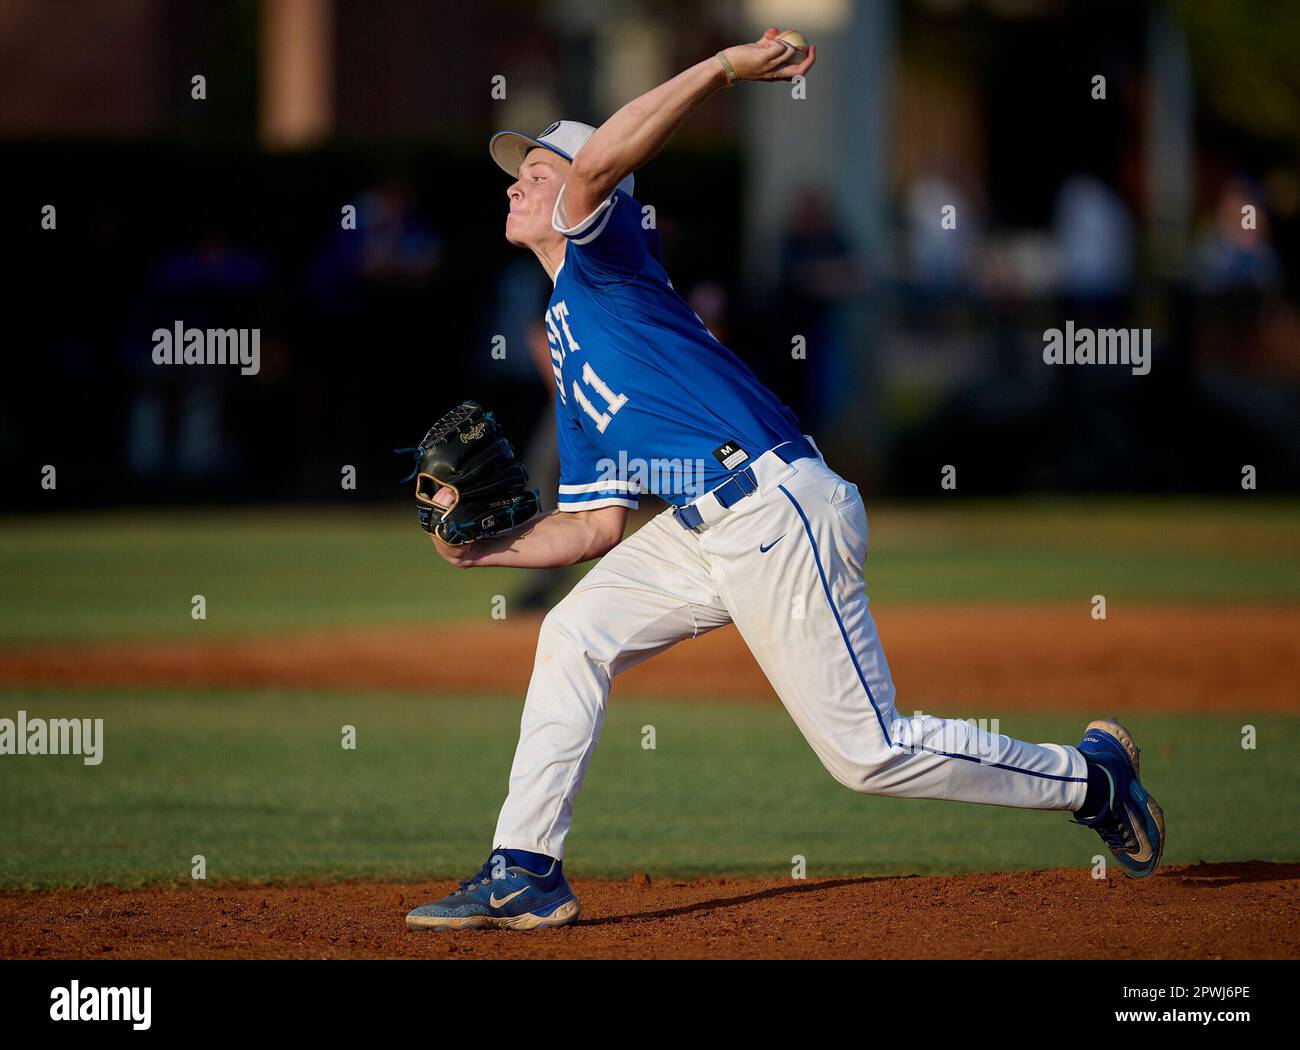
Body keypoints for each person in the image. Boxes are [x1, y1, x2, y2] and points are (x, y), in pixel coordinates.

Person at [406, 28, 1164, 931]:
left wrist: (724, 66)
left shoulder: (605, 260)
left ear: (581, 188)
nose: (517, 182)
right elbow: (595, 526)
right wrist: (480, 550)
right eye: (519, 172)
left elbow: (603, 158)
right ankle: (525, 867)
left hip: (775, 507)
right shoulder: (567, 340)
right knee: (571, 633)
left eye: (535, 170)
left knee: (865, 754)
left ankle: (1091, 780)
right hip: (696, 531)